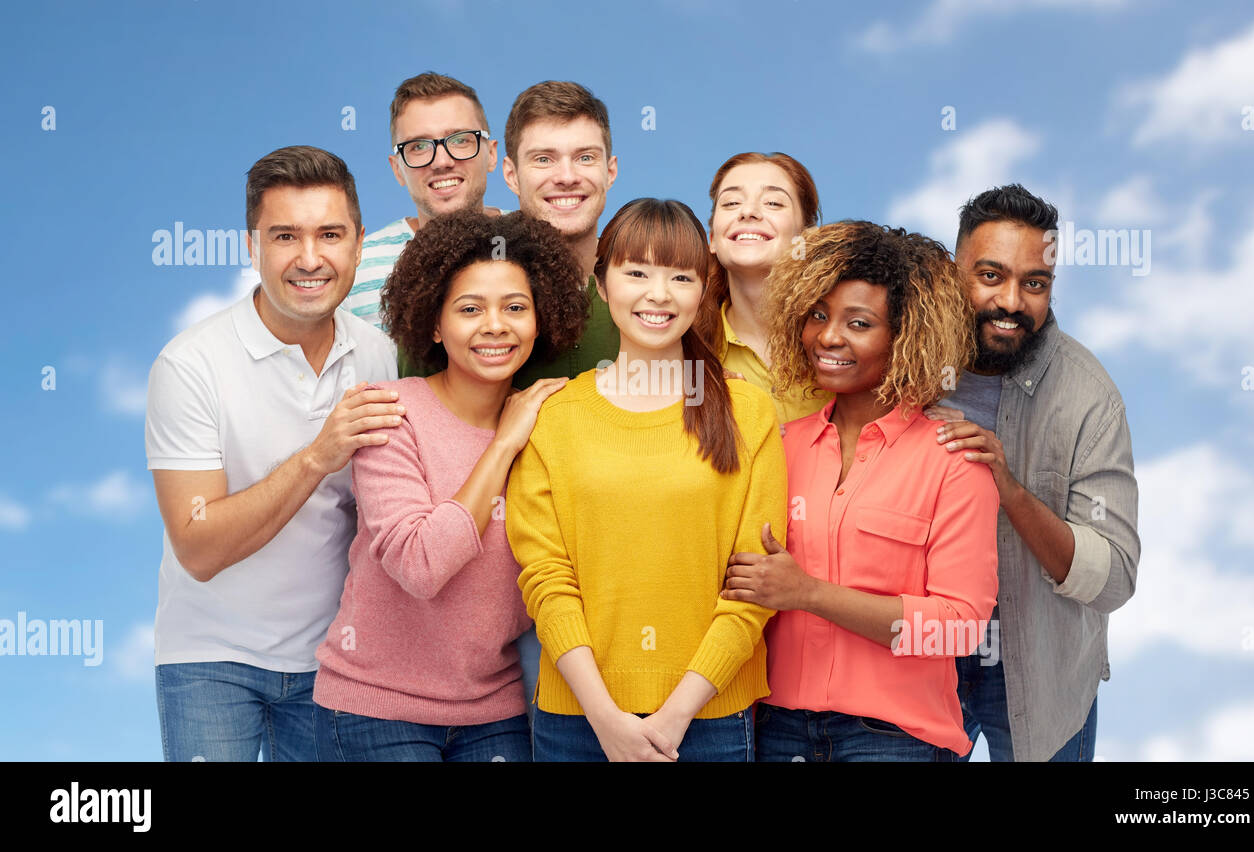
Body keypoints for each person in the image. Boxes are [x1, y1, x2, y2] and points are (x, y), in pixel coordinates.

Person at [506, 198, 788, 762]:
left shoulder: (749, 413)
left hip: (708, 721)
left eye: (680, 276)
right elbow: (546, 578)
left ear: (704, 289)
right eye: (636, 272)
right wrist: (605, 719)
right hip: (576, 721)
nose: (658, 295)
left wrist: (676, 714)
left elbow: (754, 587)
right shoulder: (555, 417)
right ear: (602, 284)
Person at [146, 146, 401, 762]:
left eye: (330, 234)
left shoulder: (378, 356)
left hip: (332, 663)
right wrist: (318, 456)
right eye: (285, 236)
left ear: (359, 244)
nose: (310, 258)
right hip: (211, 661)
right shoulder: (189, 366)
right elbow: (198, 548)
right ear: (251, 246)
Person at [312, 211, 588, 761]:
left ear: (541, 320)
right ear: (435, 325)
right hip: (376, 708)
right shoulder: (392, 414)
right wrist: (503, 446)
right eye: (469, 309)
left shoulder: (550, 423)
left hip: (495, 711)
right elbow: (420, 564)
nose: (495, 325)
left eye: (515, 307)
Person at [723, 220, 999, 761]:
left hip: (897, 741)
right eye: (819, 315)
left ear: (905, 337)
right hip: (777, 732)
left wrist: (808, 594)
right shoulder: (778, 447)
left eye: (859, 323)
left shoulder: (954, 461)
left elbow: (960, 630)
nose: (829, 336)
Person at [927, 184, 1140, 761]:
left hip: (1041, 660)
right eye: (990, 276)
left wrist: (1009, 490)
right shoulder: (903, 361)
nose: (1012, 301)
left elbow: (1116, 576)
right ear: (954, 273)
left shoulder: (1088, 396)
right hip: (922, 652)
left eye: (1034, 283)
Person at [341, 72, 506, 333]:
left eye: (461, 139)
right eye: (418, 146)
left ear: (492, 154)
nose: (441, 161)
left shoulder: (537, 247)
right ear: (397, 169)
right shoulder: (354, 269)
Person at [501, 80, 620, 386]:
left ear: (610, 172)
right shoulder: (466, 290)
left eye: (585, 157)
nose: (567, 177)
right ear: (511, 176)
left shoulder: (652, 288)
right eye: (544, 159)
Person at [697, 152, 829, 423]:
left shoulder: (844, 342)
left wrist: (937, 413)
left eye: (773, 202)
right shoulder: (687, 350)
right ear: (712, 239)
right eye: (731, 202)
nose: (748, 212)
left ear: (807, 238)